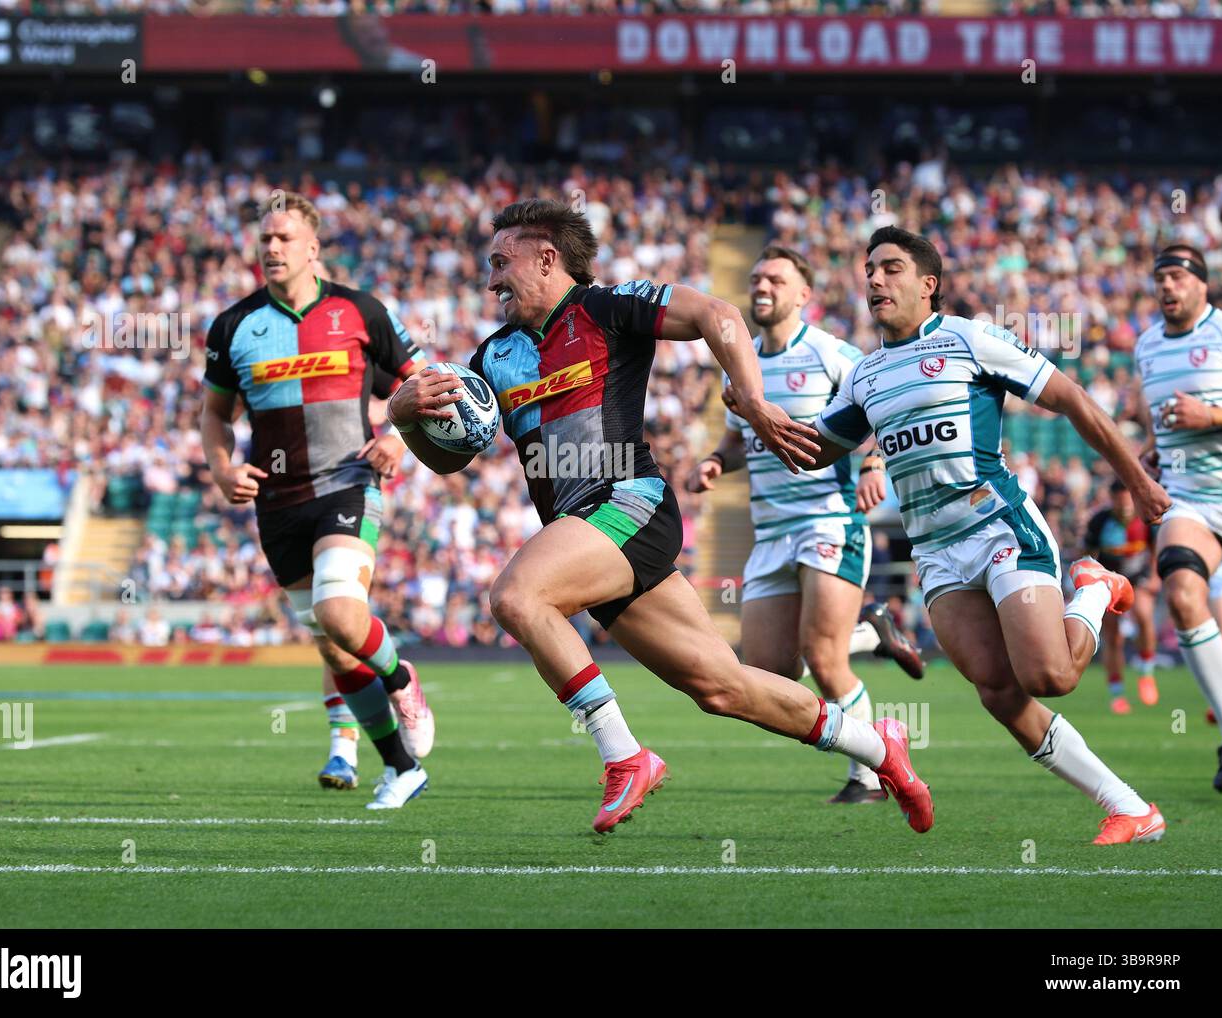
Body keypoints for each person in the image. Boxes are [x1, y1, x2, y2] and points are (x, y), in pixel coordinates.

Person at [387, 198, 933, 835]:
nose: (490, 281)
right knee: (723, 686)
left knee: (516, 596)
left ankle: (625, 756)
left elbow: (716, 314)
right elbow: (450, 462)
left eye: (501, 263)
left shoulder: (609, 307)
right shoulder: (493, 358)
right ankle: (879, 747)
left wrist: (753, 402)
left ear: (547, 258)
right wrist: (405, 420)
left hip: (627, 501)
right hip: (587, 532)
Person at [795, 225, 1169, 844]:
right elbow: (813, 451)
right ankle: (1130, 807)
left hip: (997, 525)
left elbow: (1072, 398)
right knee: (998, 692)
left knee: (1050, 677)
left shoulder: (969, 338)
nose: (875, 280)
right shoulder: (864, 375)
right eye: (869, 271)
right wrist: (757, 411)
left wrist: (1134, 480)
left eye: (890, 268)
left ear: (928, 284)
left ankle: (1096, 590)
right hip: (935, 552)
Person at [200, 192, 434, 810]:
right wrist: (222, 467)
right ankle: (401, 768)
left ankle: (402, 678)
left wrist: (398, 436)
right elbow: (214, 415)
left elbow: (422, 384)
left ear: (312, 247)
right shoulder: (233, 326)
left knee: (338, 616)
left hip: (347, 482)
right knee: (333, 644)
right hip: (276, 502)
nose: (271, 248)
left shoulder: (360, 311)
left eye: (283, 238)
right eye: (264, 239)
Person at [687, 243, 924, 805]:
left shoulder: (829, 352)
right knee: (768, 676)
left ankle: (868, 777)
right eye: (756, 277)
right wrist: (718, 460)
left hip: (829, 519)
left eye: (775, 278)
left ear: (803, 294)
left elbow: (882, 408)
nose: (762, 286)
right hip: (770, 531)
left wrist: (874, 461)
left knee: (824, 659)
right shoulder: (742, 365)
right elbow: (739, 437)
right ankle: (874, 633)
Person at [1134, 244, 1222, 791]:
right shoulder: (1148, 346)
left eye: (1177, 277)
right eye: (1160, 278)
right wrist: (1153, 447)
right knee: (1182, 591)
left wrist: (1210, 415)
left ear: (1202, 285)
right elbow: (1167, 416)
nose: (1167, 287)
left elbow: (1199, 410)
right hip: (1195, 499)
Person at [1083, 480, 1159, 714]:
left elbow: (1156, 547)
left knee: (1144, 615)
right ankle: (1117, 694)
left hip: (1138, 578)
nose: (1125, 505)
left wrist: (1156, 576)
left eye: (1128, 500)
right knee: (1113, 637)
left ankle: (1146, 673)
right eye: (1120, 500)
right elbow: (1088, 554)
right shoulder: (1100, 521)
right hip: (1110, 582)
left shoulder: (1145, 519)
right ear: (1113, 499)